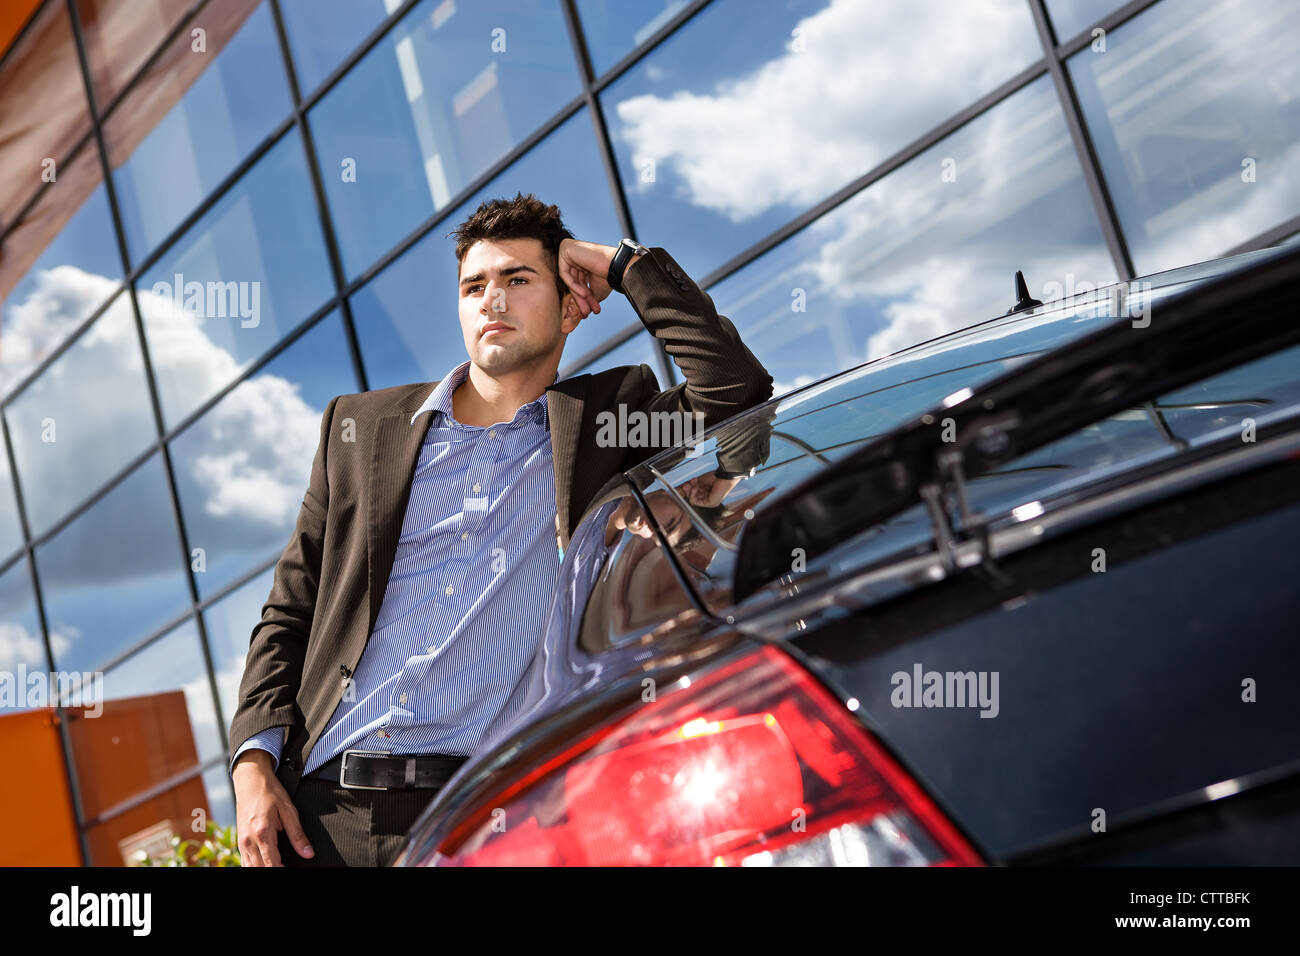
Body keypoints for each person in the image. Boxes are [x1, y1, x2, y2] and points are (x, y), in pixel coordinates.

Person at [227, 192, 772, 866]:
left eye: (518, 280)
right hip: (317, 818)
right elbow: (291, 609)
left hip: (484, 819)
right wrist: (253, 759)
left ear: (573, 304)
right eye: (475, 286)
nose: (493, 300)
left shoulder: (608, 421)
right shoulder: (360, 428)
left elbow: (737, 392)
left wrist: (626, 266)